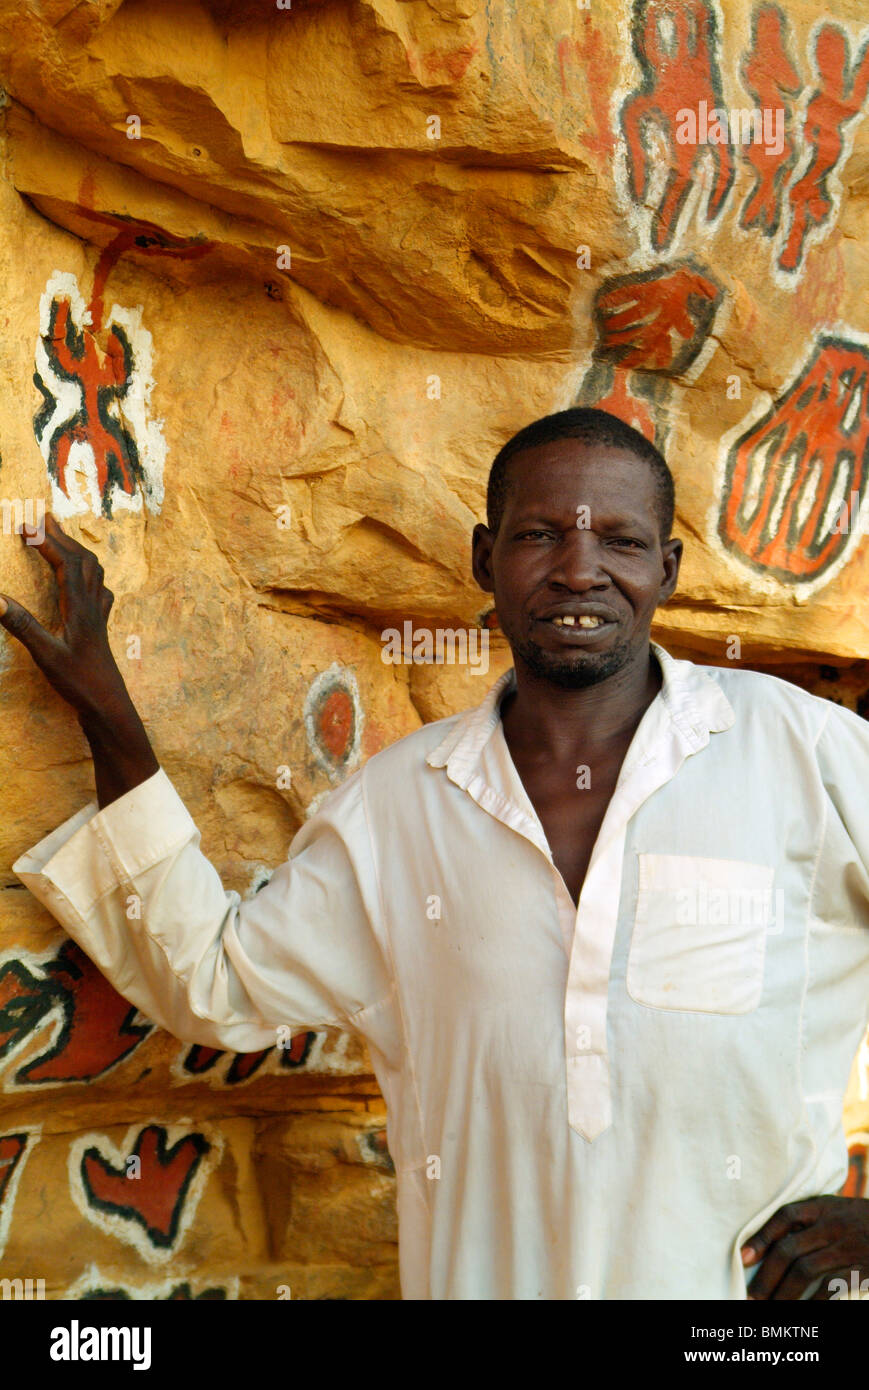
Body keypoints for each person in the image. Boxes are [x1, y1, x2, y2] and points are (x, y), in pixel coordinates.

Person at [4, 407, 869, 1300]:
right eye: (539, 535)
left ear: (667, 568)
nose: (579, 570)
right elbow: (215, 984)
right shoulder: (400, 803)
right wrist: (106, 712)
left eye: (619, 539)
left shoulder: (804, 755)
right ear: (483, 558)